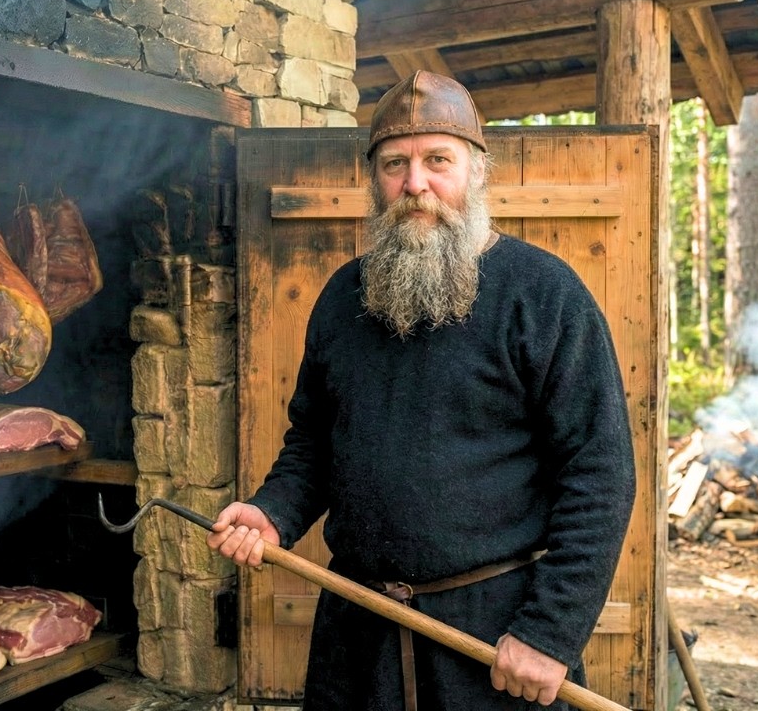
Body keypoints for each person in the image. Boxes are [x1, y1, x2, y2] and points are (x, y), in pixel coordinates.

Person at [207, 70, 637, 710]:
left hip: (491, 641)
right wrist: (275, 511)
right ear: (373, 179)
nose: (415, 184)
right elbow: (315, 444)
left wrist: (549, 631)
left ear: (476, 170)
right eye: (394, 165)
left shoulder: (545, 295)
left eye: (439, 160)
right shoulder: (341, 298)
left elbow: (599, 472)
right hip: (356, 633)